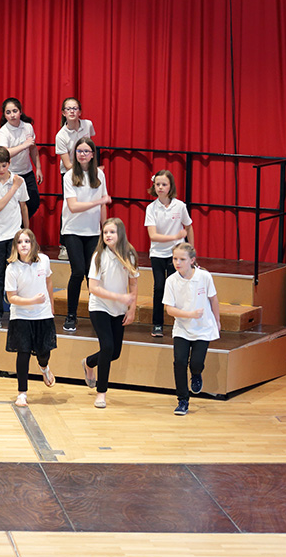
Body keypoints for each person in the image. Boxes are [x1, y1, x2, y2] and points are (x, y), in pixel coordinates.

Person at [81, 218, 139, 409]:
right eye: (105, 232)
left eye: (112, 232)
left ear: (120, 234)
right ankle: (101, 393)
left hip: (119, 309)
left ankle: (89, 362)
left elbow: (133, 283)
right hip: (100, 307)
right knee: (107, 347)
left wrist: (131, 308)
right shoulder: (98, 256)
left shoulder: (129, 255)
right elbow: (93, 287)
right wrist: (118, 297)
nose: (108, 235)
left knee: (114, 353)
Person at [164, 243, 220, 416]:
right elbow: (169, 309)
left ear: (192, 260)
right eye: (175, 259)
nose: (177, 262)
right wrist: (189, 314)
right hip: (182, 328)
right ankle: (182, 400)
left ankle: (196, 374)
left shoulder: (204, 277)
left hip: (203, 328)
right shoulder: (171, 281)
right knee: (179, 362)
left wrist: (217, 321)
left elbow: (213, 299)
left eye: (182, 259)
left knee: (195, 363)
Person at [60, 138, 110, 333]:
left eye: (86, 151)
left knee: (93, 274)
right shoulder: (70, 176)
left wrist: (105, 230)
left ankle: (97, 315)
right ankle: (71, 315)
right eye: (79, 151)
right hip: (72, 230)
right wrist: (97, 202)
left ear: (92, 154)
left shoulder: (100, 175)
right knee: (78, 271)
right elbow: (73, 206)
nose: (82, 154)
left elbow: (103, 204)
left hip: (92, 232)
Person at [4, 229, 57, 407]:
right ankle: (22, 393)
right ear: (15, 246)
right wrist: (32, 301)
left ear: (33, 244)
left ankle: (44, 368)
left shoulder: (44, 261)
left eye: (27, 241)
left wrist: (51, 304)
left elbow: (48, 282)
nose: (24, 245)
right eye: (20, 242)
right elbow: (11, 297)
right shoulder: (11, 269)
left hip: (43, 314)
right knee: (23, 353)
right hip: (21, 316)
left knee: (44, 353)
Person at [0, 146, 29, 329]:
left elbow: (23, 206)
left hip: (15, 234)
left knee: (17, 273)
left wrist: (26, 232)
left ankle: (19, 311)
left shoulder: (19, 180)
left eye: (3, 165)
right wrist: (14, 187)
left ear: (9, 163)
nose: (1, 170)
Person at [145, 169, 194, 336]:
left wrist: (191, 250)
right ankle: (157, 324)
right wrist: (175, 236)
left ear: (170, 186)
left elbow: (188, 226)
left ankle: (181, 323)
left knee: (178, 288)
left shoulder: (180, 206)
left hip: (177, 256)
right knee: (159, 287)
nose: (160, 187)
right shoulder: (151, 208)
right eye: (157, 184)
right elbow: (153, 236)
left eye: (164, 184)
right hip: (158, 254)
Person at [54, 97, 96, 260]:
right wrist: (83, 166)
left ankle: (90, 241)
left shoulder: (88, 125)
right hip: (70, 173)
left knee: (88, 203)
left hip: (87, 170)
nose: (72, 111)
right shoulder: (61, 135)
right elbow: (67, 163)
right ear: (63, 113)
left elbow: (90, 145)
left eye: (75, 108)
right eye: (68, 109)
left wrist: (90, 168)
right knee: (69, 207)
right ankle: (64, 244)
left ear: (79, 111)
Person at [0, 97, 42, 219]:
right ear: (4, 115)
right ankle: (16, 229)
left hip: (27, 172)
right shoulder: (3, 132)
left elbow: (33, 148)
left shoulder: (27, 127)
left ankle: (21, 226)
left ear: (20, 112)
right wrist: (23, 145)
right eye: (8, 112)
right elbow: (4, 154)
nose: (12, 115)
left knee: (33, 202)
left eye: (15, 111)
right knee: (13, 205)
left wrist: (38, 168)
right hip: (11, 174)